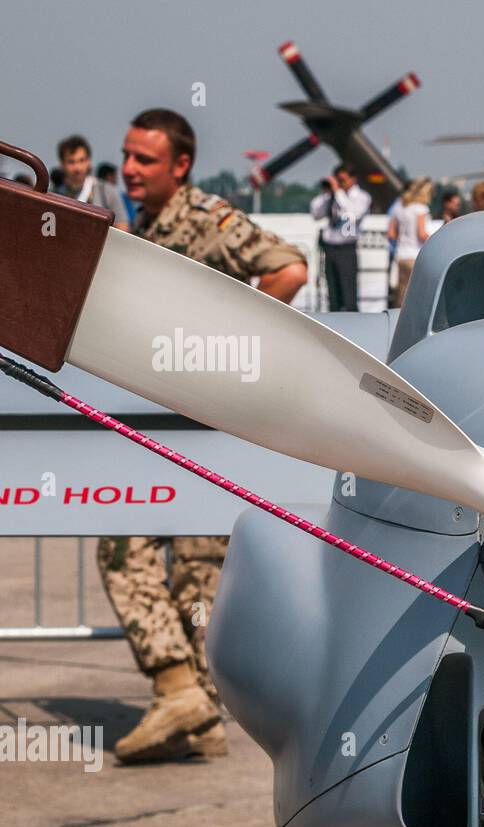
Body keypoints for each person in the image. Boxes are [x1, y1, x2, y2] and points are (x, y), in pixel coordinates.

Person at [101, 107, 307, 764]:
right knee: (179, 568)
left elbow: (288, 268)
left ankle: (180, 693)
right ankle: (196, 715)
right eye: (128, 157)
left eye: (145, 159)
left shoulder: (207, 219)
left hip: (207, 423)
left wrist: (227, 355)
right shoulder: (146, 228)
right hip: (168, 426)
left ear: (180, 165)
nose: (130, 170)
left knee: (155, 560)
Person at [311, 163, 371, 311]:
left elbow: (352, 214)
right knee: (333, 293)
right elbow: (316, 214)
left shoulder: (361, 197)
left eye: (342, 180)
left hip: (347, 248)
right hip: (330, 247)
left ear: (353, 179)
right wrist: (327, 194)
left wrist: (338, 193)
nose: (339, 184)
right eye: (337, 180)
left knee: (348, 292)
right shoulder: (331, 197)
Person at [54, 135, 129, 229]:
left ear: (89, 161)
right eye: (71, 162)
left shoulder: (107, 192)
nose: (77, 167)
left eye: (81, 160)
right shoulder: (55, 195)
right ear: (62, 164)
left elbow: (122, 227)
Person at [387, 177, 433, 307]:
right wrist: (436, 240)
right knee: (417, 297)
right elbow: (422, 234)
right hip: (415, 256)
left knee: (401, 295)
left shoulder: (400, 208)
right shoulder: (421, 209)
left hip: (401, 255)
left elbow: (391, 233)